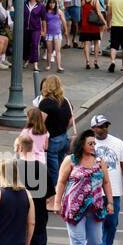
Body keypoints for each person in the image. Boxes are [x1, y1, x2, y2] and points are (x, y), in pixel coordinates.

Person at [54, 130, 112, 245]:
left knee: (95, 241)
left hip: (96, 207)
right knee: (78, 240)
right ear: (81, 144)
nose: (93, 146)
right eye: (90, 143)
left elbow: (106, 182)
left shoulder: (99, 161)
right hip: (74, 207)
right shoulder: (70, 160)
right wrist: (57, 202)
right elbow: (61, 182)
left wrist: (110, 202)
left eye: (94, 143)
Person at [90, 115, 123, 245]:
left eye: (106, 126)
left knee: (111, 223)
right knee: (96, 223)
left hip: (113, 191)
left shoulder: (118, 143)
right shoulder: (88, 144)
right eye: (100, 126)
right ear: (93, 128)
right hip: (93, 191)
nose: (104, 129)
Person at [12, 133, 51, 245]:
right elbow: (50, 195)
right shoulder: (41, 168)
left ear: (20, 148)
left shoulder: (12, 168)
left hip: (18, 219)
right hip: (39, 217)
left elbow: (4, 193)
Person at [37, 75, 73, 212]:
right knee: (60, 169)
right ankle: (62, 197)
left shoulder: (46, 103)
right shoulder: (65, 101)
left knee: (53, 172)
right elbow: (70, 120)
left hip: (52, 140)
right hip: (64, 138)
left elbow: (40, 122)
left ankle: (53, 201)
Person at [79, 0, 106, 69]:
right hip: (93, 24)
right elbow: (99, 13)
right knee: (96, 43)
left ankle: (87, 62)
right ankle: (95, 61)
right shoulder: (95, 2)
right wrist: (104, 22)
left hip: (85, 24)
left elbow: (82, 13)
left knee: (86, 43)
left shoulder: (83, 1)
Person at [23, 0, 44, 72]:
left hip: (36, 28)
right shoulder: (25, 4)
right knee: (26, 44)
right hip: (26, 28)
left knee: (35, 44)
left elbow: (44, 19)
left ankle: (35, 63)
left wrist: (44, 31)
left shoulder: (40, 6)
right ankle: (27, 60)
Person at [41, 0, 64, 72]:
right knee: (49, 50)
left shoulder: (58, 11)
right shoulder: (45, 12)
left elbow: (63, 20)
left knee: (58, 50)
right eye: (50, 3)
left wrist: (66, 31)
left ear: (55, 4)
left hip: (57, 33)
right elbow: (43, 22)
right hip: (48, 33)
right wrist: (43, 31)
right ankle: (48, 65)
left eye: (53, 3)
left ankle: (59, 66)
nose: (52, 4)